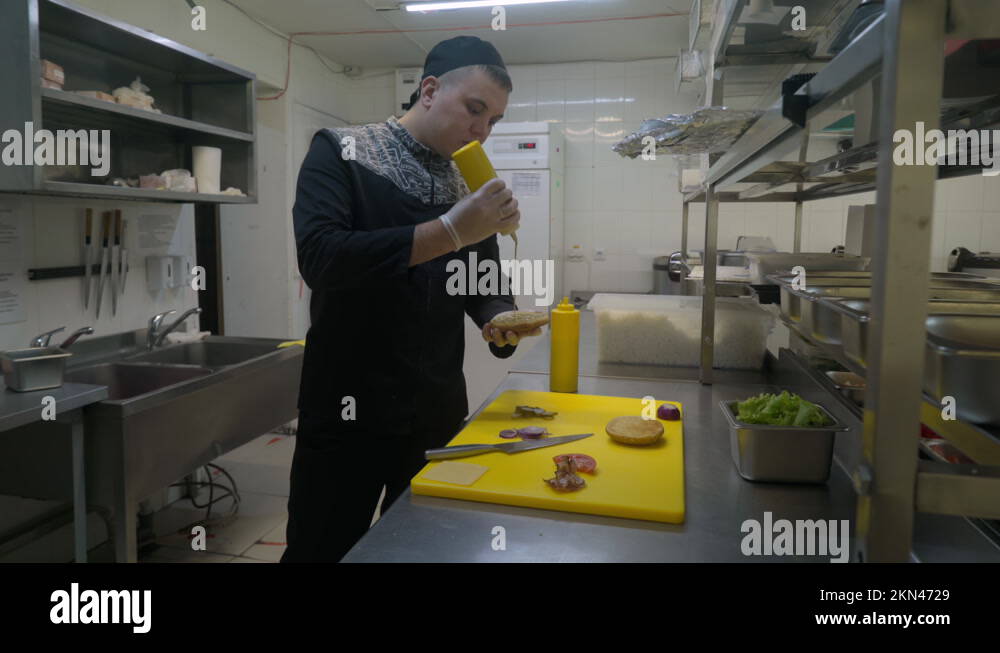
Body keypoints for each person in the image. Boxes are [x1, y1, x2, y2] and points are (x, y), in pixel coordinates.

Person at [283, 36, 540, 562]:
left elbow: (480, 279)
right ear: (428, 90)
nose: (481, 131)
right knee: (323, 549)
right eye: (475, 110)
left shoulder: (466, 179)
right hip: (346, 409)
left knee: (425, 551)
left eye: (493, 121)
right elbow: (322, 258)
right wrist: (450, 228)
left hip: (436, 409)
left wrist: (499, 318)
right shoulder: (340, 151)